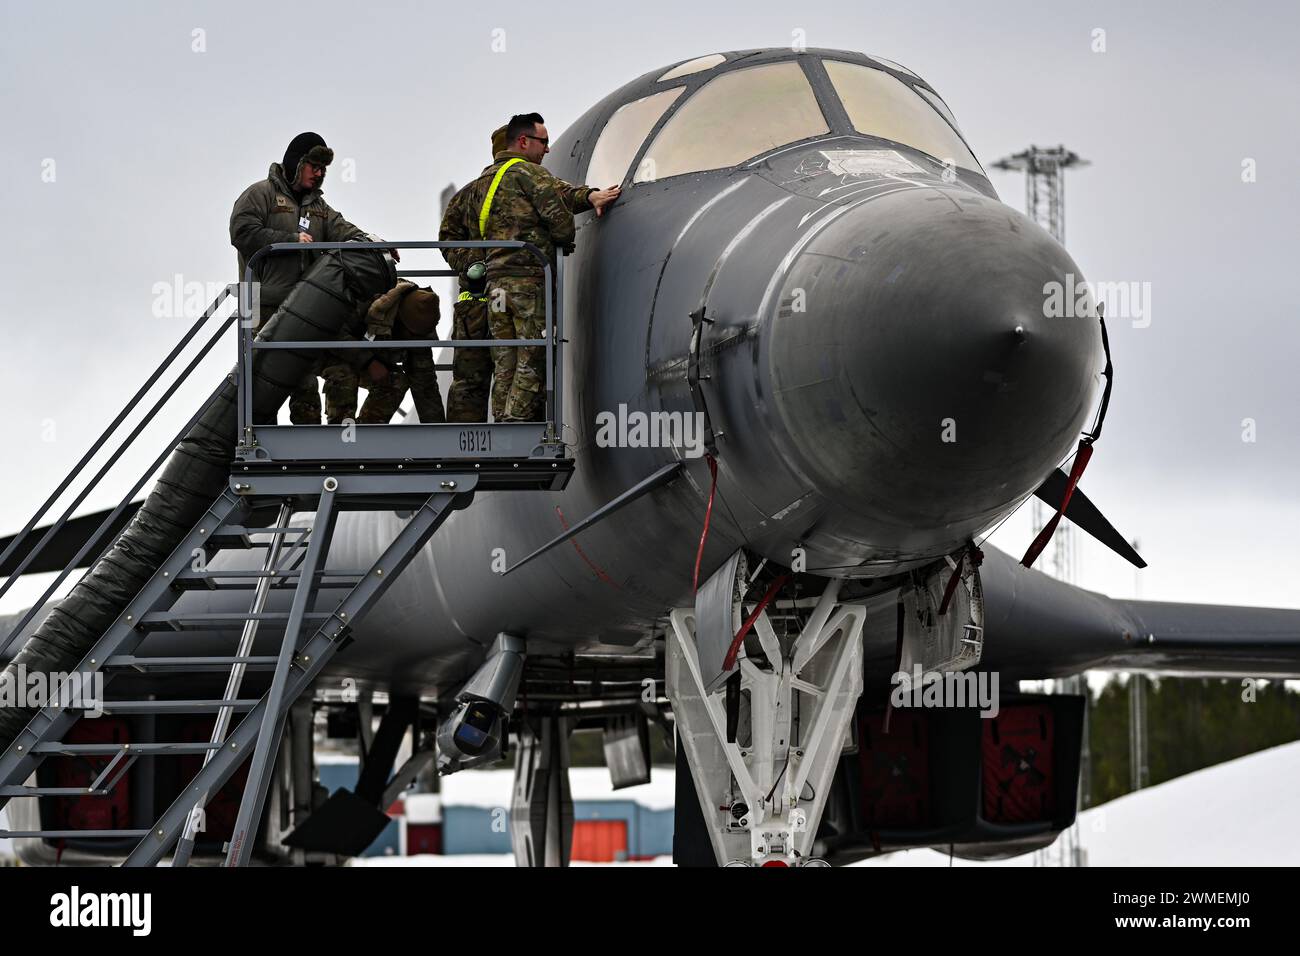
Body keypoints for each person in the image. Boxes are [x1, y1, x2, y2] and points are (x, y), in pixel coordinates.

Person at [448, 114, 619, 422]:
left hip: (492, 289)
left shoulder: (477, 188)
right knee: (534, 354)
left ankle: (502, 422)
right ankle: (517, 422)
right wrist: (564, 238)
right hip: (527, 282)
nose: (548, 149)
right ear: (523, 142)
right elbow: (557, 211)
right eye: (543, 142)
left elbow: (448, 238)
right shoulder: (529, 173)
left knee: (505, 361)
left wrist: (475, 263)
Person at [229, 132, 388, 424]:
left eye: (323, 169)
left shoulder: (320, 210)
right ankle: (261, 445)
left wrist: (373, 244)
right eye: (313, 166)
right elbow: (241, 232)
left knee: (315, 380)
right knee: (273, 381)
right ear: (296, 163)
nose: (319, 173)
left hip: (304, 309)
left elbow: (343, 230)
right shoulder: (260, 194)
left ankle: (314, 452)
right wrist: (288, 239)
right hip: (264, 308)